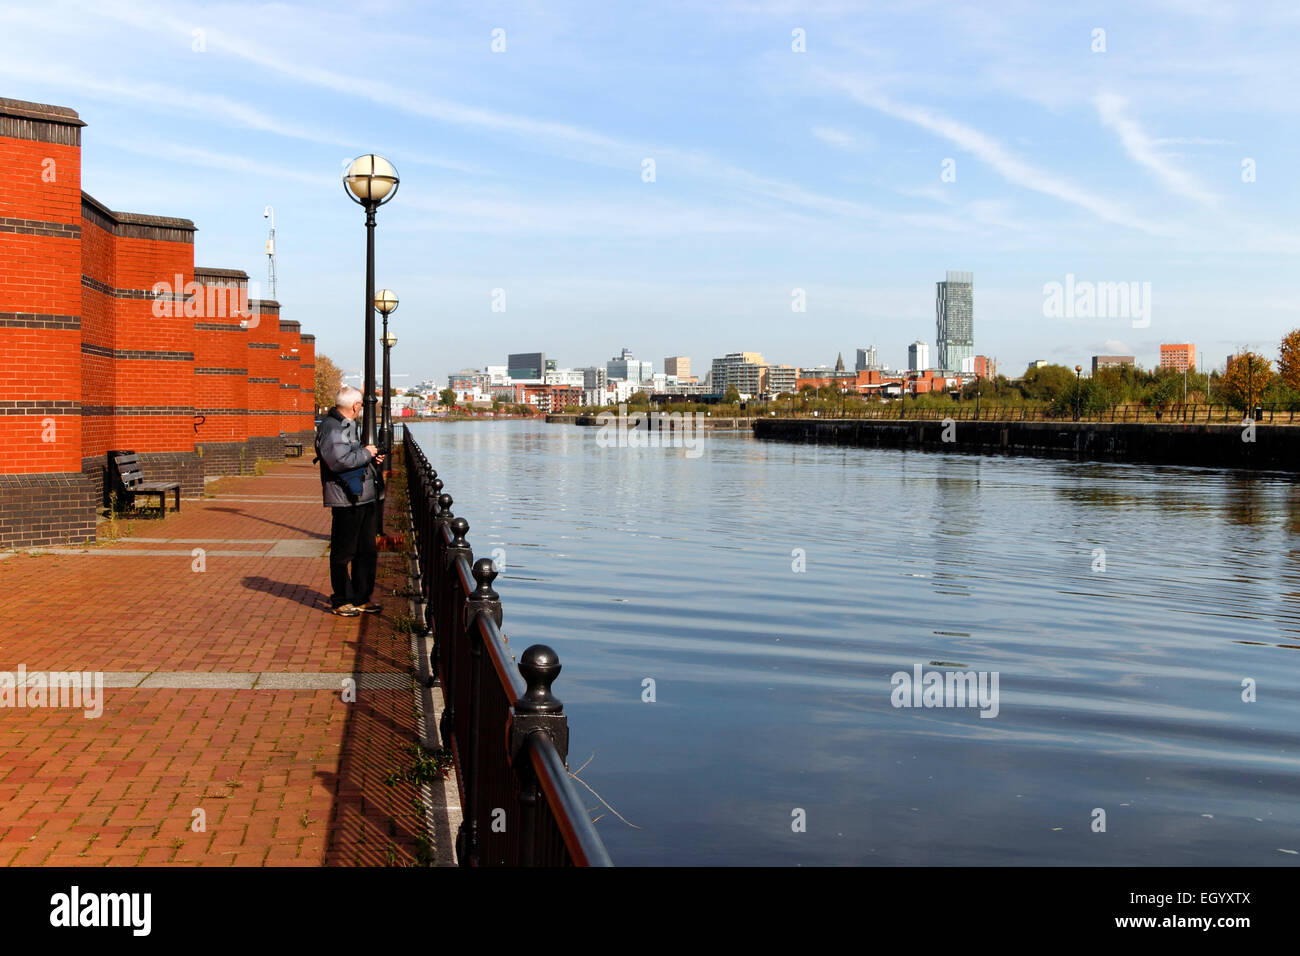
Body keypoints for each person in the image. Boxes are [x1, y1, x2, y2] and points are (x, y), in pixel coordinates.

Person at [316, 385, 384, 617]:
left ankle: (361, 596)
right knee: (343, 552)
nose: (362, 409)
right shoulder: (332, 429)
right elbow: (339, 461)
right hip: (346, 499)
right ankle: (342, 599)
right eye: (361, 405)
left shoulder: (346, 425)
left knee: (366, 550)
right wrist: (367, 453)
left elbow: (353, 455)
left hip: (362, 496)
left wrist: (370, 458)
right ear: (355, 406)